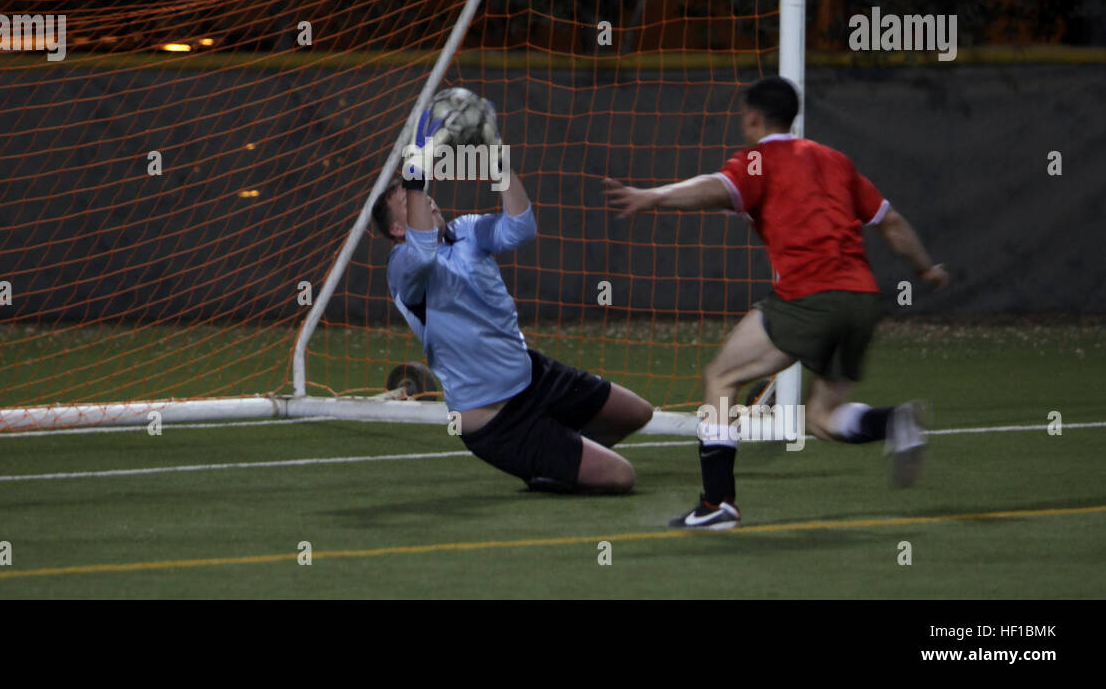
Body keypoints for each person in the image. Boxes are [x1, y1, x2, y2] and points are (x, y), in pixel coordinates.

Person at [605, 76, 948, 528]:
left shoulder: (757, 160)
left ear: (752, 117)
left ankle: (717, 505)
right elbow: (893, 222)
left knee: (721, 378)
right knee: (823, 418)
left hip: (810, 297)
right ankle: (892, 423)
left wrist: (654, 197)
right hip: (862, 301)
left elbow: (715, 188)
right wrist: (925, 268)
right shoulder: (836, 161)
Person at [373, 102, 652, 493]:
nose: (425, 199)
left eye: (421, 193)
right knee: (622, 477)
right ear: (399, 228)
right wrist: (416, 167)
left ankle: (566, 452)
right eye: (410, 200)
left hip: (533, 378)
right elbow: (421, 251)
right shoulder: (402, 266)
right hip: (495, 418)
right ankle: (548, 464)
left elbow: (520, 229)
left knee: (637, 413)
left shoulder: (466, 230)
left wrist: (496, 157)